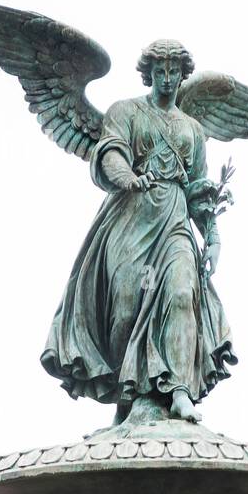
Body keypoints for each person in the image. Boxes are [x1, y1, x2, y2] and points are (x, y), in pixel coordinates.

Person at [40, 39, 235, 425]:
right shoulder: (125, 112)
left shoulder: (193, 130)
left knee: (182, 292)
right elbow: (110, 151)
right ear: (149, 73)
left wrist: (212, 235)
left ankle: (179, 390)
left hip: (174, 224)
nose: (167, 78)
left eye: (174, 71)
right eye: (160, 71)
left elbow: (196, 187)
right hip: (130, 222)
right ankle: (127, 403)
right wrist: (126, 177)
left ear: (183, 75)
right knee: (125, 309)